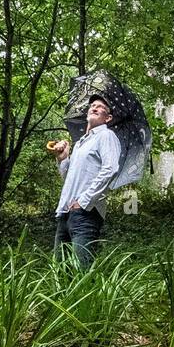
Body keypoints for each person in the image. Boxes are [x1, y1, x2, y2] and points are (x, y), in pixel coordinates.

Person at [51, 94, 122, 265]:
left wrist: (84, 201)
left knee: (81, 271)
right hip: (65, 213)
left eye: (101, 107)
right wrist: (63, 159)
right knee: (59, 271)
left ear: (108, 117)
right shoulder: (81, 143)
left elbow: (110, 169)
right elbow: (70, 179)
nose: (94, 108)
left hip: (86, 213)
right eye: (92, 106)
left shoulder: (107, 136)